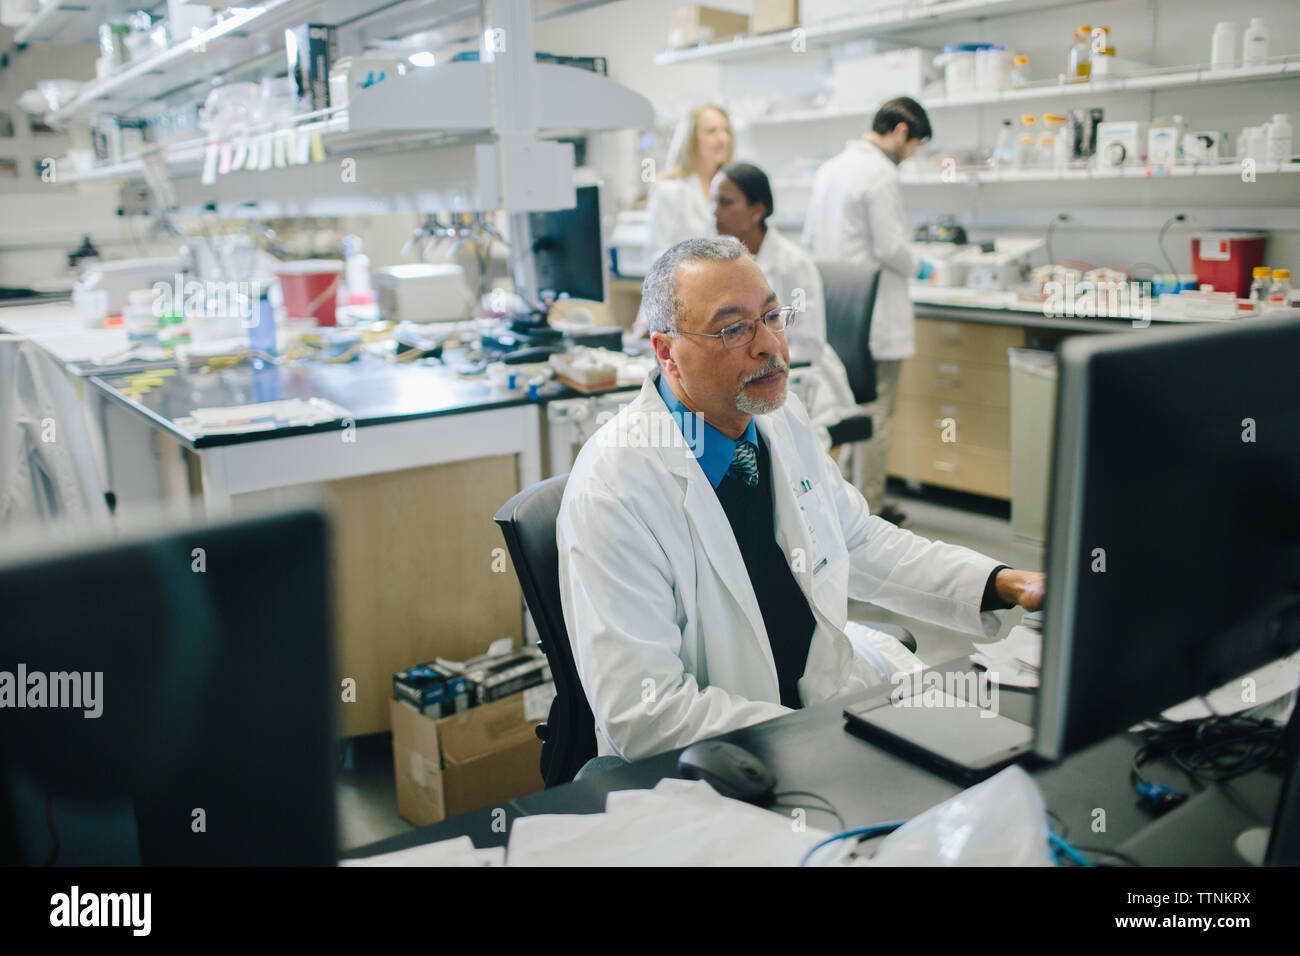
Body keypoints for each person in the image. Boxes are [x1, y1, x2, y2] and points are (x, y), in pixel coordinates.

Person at [557, 237, 1044, 764]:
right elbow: (645, 714)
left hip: (823, 706)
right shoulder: (615, 487)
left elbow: (857, 541)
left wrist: (1004, 584)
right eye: (734, 328)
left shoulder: (776, 419)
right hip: (722, 762)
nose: (768, 344)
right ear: (667, 353)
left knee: (997, 759)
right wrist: (818, 737)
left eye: (772, 316)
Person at [802, 97, 933, 526]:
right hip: (876, 317)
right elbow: (891, 247)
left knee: (839, 408)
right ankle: (870, 512)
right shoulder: (880, 173)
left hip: (835, 312)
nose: (911, 154)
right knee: (875, 410)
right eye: (914, 144)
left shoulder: (830, 169)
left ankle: (837, 509)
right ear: (899, 132)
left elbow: (809, 238)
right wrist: (923, 265)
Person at [710, 161, 857, 451]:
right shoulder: (722, 262)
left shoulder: (794, 265)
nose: (714, 212)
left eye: (725, 202)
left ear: (758, 209)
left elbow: (809, 345)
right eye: (713, 202)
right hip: (747, 372)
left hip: (799, 377)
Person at [629, 105, 734, 340]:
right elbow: (657, 256)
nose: (722, 138)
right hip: (678, 305)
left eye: (725, 130)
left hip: (723, 305)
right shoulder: (670, 190)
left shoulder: (733, 189)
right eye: (711, 131)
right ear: (692, 140)